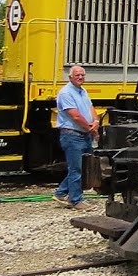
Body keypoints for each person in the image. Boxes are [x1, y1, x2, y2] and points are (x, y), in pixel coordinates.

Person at [51, 65, 98, 210]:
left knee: (84, 168)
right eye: (77, 75)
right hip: (72, 135)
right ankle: (76, 200)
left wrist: (96, 122)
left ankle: (60, 193)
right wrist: (91, 128)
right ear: (70, 77)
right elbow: (75, 115)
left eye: (82, 75)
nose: (80, 77)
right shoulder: (65, 93)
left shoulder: (82, 91)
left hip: (84, 134)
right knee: (76, 169)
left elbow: (91, 109)